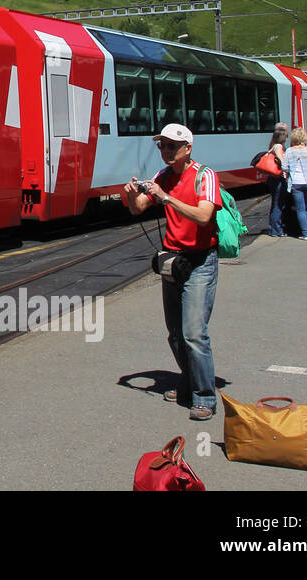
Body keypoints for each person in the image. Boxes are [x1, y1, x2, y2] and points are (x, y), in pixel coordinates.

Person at [124, 124, 223, 422]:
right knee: (176, 335)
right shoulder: (162, 176)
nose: (165, 151)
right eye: (162, 146)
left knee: (194, 333)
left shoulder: (205, 176)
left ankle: (204, 395)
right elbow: (137, 209)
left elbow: (205, 216)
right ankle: (188, 383)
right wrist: (130, 194)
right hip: (173, 260)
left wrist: (166, 198)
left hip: (201, 260)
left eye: (171, 146)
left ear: (187, 149)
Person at [282, 126, 307, 240]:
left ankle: (305, 234)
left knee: (300, 209)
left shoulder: (290, 151)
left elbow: (284, 167)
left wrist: (288, 175)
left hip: (295, 183)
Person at [265, 122, 290, 237]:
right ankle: (276, 230)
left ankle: (274, 228)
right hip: (278, 179)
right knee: (278, 204)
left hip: (273, 178)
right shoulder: (279, 146)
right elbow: (282, 164)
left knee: (276, 203)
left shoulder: (273, 145)